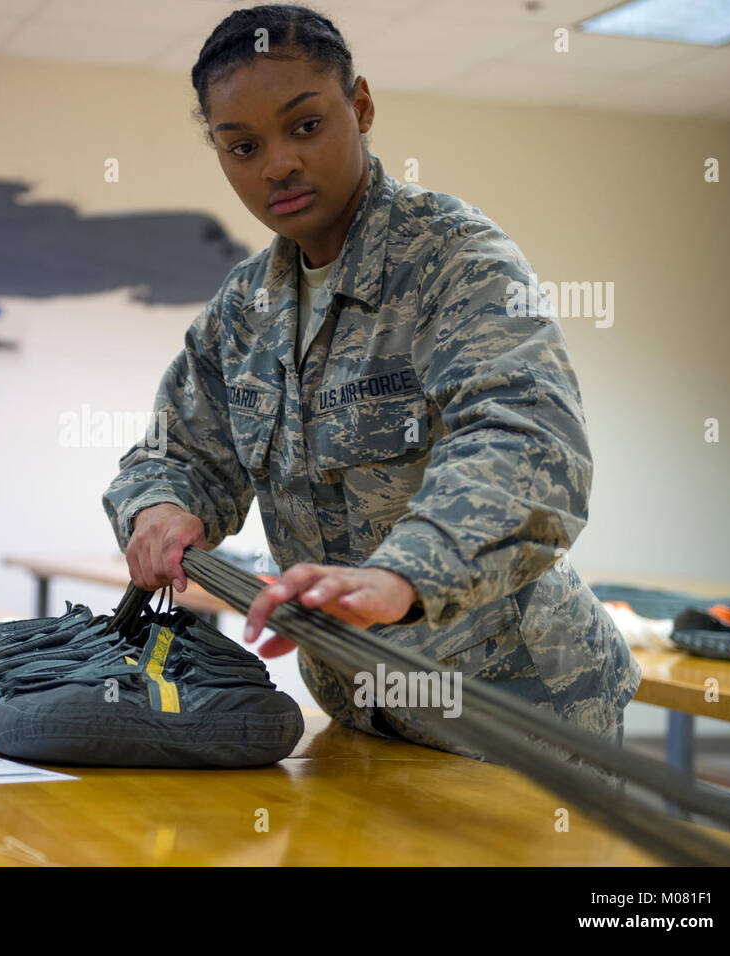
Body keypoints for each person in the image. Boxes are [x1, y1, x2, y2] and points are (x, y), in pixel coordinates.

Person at [101, 4, 640, 760]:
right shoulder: (244, 308)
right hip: (366, 714)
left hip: (523, 718)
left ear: (360, 106)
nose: (277, 164)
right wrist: (157, 506)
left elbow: (528, 445)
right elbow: (177, 453)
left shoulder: (457, 259)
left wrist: (402, 573)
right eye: (243, 146)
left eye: (306, 126)